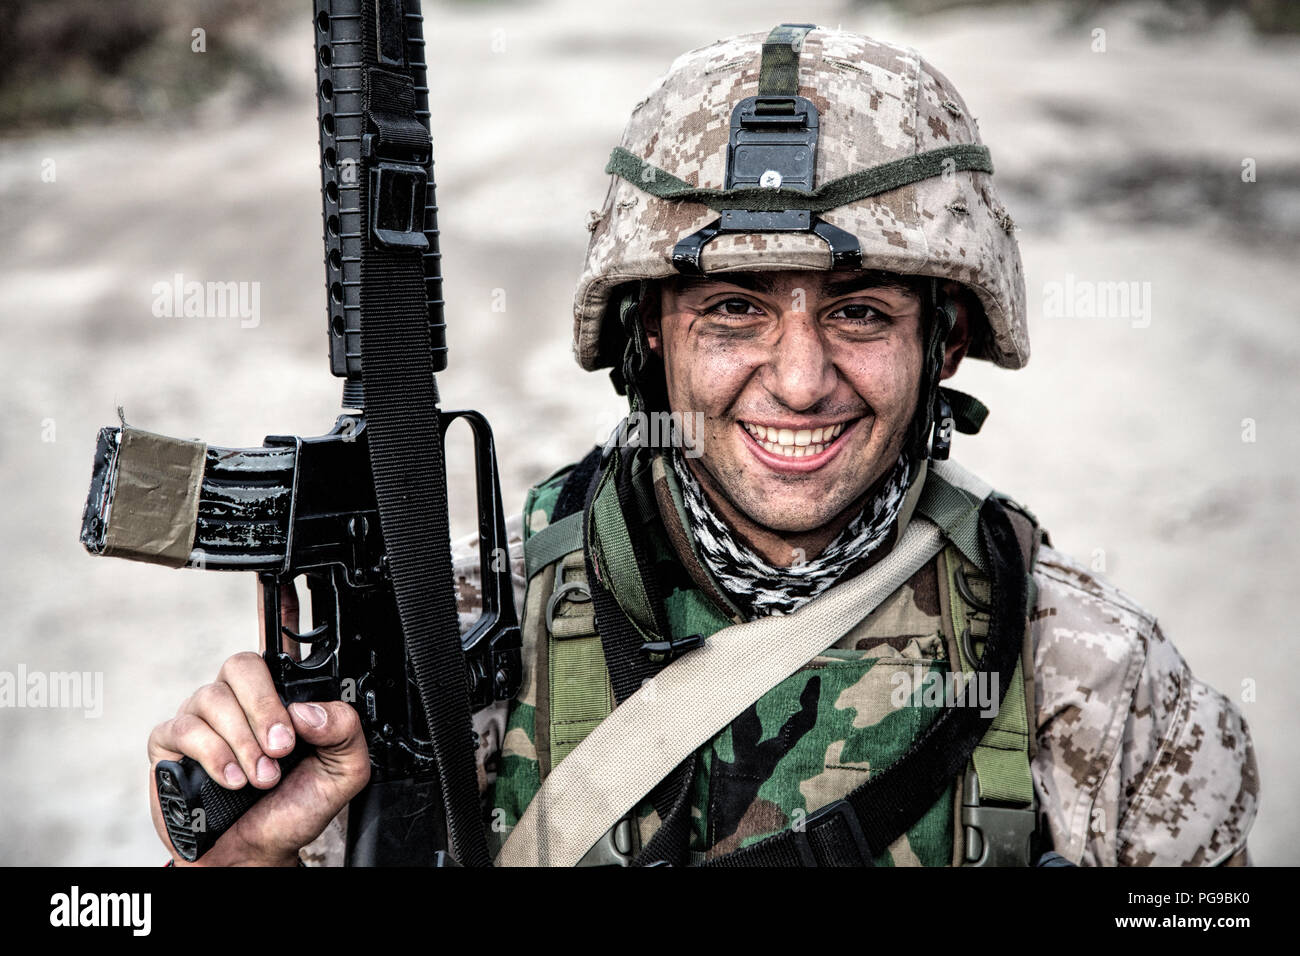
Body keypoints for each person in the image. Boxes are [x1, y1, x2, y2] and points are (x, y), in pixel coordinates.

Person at [147, 25, 1258, 867]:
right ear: (646, 342)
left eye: (861, 310)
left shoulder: (1091, 678)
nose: (799, 376)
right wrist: (246, 857)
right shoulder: (465, 647)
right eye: (732, 308)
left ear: (944, 343)